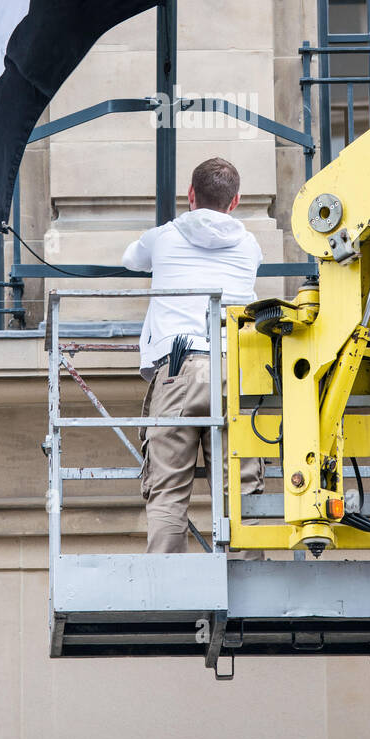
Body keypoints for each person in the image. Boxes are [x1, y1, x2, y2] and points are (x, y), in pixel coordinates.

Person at [122, 157, 264, 553]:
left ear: (190, 195)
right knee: (240, 493)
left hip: (178, 369)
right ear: (235, 201)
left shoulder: (164, 236)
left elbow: (130, 259)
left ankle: (170, 596)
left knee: (168, 492)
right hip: (233, 370)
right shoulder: (250, 244)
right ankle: (250, 591)